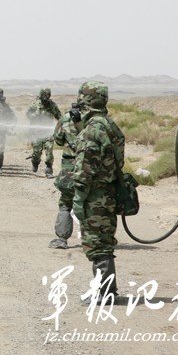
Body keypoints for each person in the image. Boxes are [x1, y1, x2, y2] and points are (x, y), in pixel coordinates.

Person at [71, 81, 125, 302]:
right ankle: (107, 290)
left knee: (97, 243)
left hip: (95, 196)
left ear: (87, 100)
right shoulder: (109, 125)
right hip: (108, 192)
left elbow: (86, 168)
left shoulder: (93, 129)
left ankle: (104, 293)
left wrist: (78, 197)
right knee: (104, 241)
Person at [49, 103, 83, 248]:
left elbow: (58, 139)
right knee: (94, 203)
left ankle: (62, 239)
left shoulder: (66, 118)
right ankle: (96, 240)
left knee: (66, 203)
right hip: (93, 168)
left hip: (70, 167)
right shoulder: (98, 120)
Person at [27, 87, 62, 177]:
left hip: (48, 132)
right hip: (36, 132)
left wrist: (62, 124)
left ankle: (49, 170)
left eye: (48, 95)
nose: (46, 97)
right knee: (37, 153)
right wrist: (36, 114)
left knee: (49, 151)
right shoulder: (35, 104)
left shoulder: (52, 105)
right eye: (44, 95)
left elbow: (59, 116)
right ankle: (35, 163)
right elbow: (28, 115)